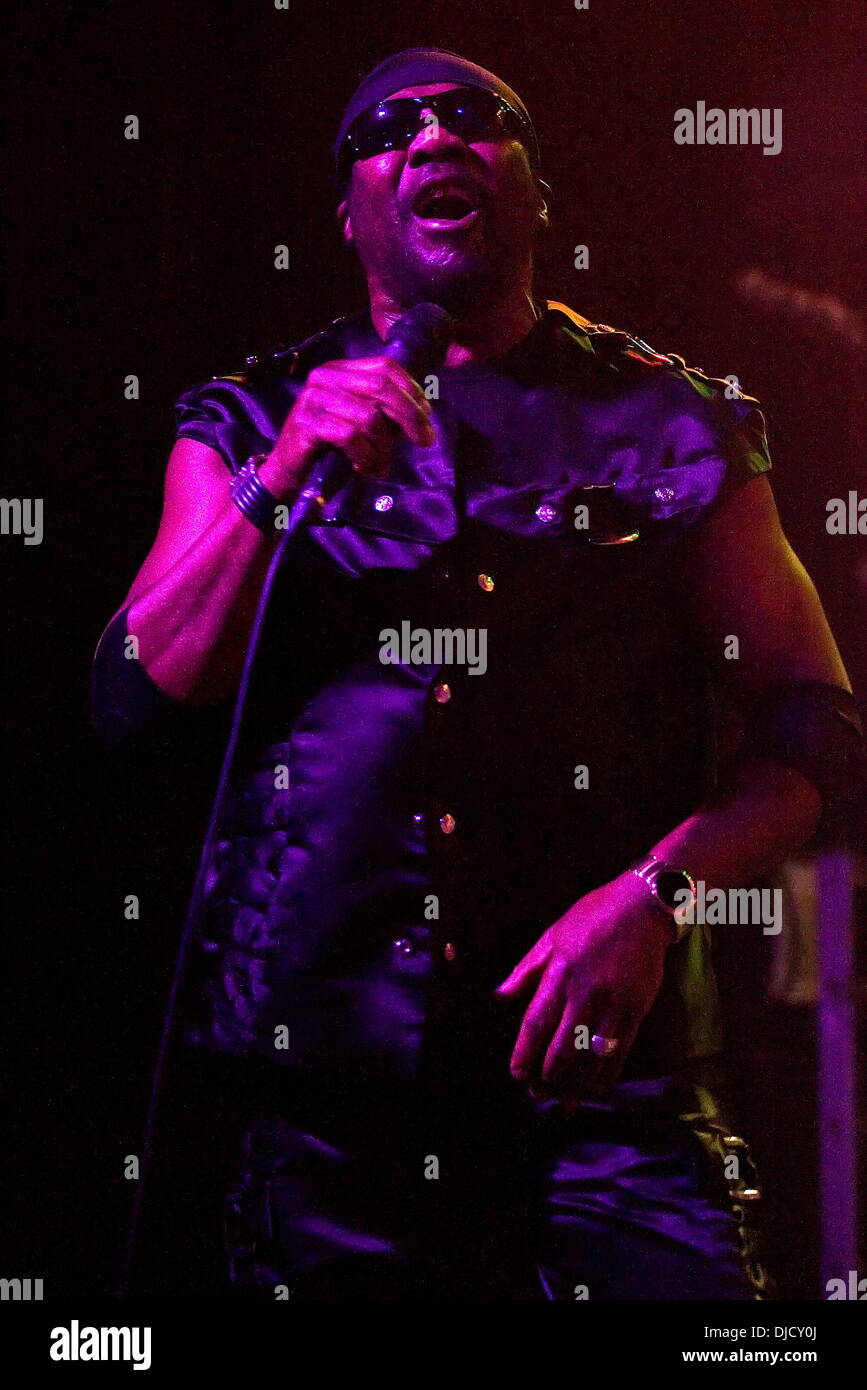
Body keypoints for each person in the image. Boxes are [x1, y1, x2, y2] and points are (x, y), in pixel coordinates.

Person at [91, 47, 863, 1300]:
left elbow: (821, 734)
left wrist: (658, 895)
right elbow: (132, 699)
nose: (437, 137)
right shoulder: (246, 418)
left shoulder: (673, 421)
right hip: (326, 1112)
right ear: (348, 211)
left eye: (477, 119)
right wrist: (274, 478)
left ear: (538, 192)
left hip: (615, 1097)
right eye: (392, 129)